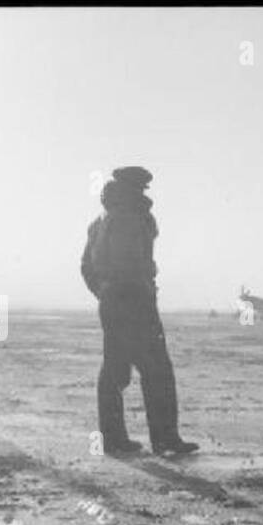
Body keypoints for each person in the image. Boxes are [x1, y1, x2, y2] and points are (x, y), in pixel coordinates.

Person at [80, 166, 196, 457]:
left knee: (114, 371)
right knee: (157, 371)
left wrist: (104, 292)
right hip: (136, 301)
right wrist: (136, 290)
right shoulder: (133, 218)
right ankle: (165, 439)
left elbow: (86, 267)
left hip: (112, 302)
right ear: (133, 191)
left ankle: (114, 439)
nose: (145, 196)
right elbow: (133, 264)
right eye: (141, 191)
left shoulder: (99, 222)